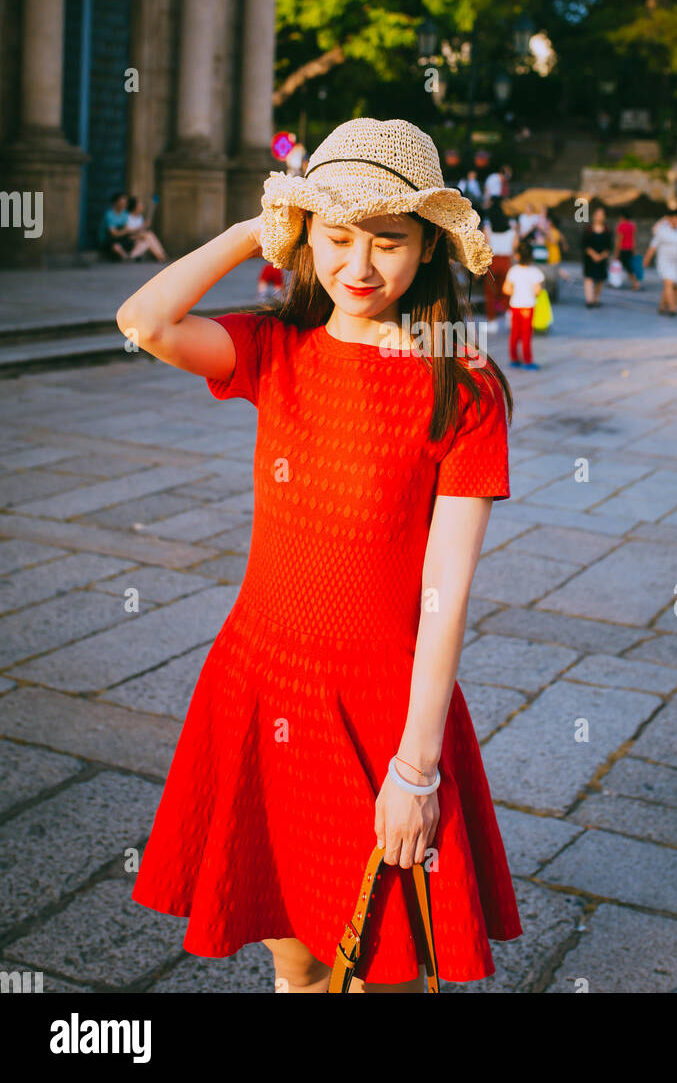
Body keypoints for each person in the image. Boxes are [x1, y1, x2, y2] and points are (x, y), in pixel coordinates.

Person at [119, 117, 522, 992]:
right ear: (304, 240)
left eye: (390, 240)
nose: (360, 267)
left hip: (382, 708)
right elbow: (145, 320)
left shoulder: (461, 386)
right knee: (295, 954)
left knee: (384, 962)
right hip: (261, 679)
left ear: (428, 248)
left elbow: (446, 595)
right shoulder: (275, 348)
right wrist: (256, 225)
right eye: (337, 238)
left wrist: (416, 771)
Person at [503, 238, 544, 368]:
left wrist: (516, 291)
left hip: (515, 305)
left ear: (517, 255)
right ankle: (527, 361)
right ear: (532, 256)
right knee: (526, 334)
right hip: (528, 306)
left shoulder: (513, 270)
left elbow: (506, 289)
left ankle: (514, 359)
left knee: (515, 333)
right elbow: (537, 291)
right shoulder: (535, 272)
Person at [481, 197, 517, 328]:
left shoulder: (488, 227)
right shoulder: (512, 229)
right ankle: (510, 316)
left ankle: (492, 321)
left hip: (492, 261)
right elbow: (514, 247)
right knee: (506, 291)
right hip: (506, 261)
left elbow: (484, 245)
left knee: (490, 292)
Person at [644, 206, 677, 315]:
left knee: (673, 285)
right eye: (676, 218)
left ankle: (662, 306)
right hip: (664, 261)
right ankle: (672, 308)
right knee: (669, 283)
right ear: (670, 219)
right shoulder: (662, 231)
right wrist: (647, 259)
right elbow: (653, 246)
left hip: (676, 263)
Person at [582, 206, 613, 307]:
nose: (598, 217)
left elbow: (609, 246)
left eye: (601, 215)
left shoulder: (607, 230)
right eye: (597, 214)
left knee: (600, 279)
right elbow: (584, 244)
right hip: (589, 258)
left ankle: (596, 298)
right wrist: (593, 254)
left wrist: (601, 256)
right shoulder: (588, 229)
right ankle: (589, 300)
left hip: (602, 258)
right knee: (589, 278)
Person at [124, 196, 168, 263]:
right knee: (148, 235)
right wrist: (143, 226)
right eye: (139, 204)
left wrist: (144, 226)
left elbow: (141, 231)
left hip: (139, 240)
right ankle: (161, 255)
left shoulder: (139, 217)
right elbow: (129, 232)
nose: (141, 206)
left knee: (147, 240)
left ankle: (131, 256)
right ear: (134, 207)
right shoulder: (127, 217)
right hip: (131, 241)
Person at [98, 192, 135, 260]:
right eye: (122, 203)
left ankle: (130, 256)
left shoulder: (125, 214)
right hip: (109, 240)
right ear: (116, 203)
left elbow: (126, 229)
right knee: (115, 245)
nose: (125, 205)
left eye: (125, 203)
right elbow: (114, 234)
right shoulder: (109, 214)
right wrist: (126, 231)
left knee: (137, 238)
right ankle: (126, 256)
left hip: (121, 237)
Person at [614, 211, 639, 290]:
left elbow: (619, 240)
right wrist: (634, 250)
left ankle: (635, 283)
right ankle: (631, 282)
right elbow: (633, 238)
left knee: (627, 267)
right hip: (630, 249)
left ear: (622, 217)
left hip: (623, 249)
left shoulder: (621, 226)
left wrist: (616, 252)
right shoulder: (632, 225)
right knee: (628, 266)